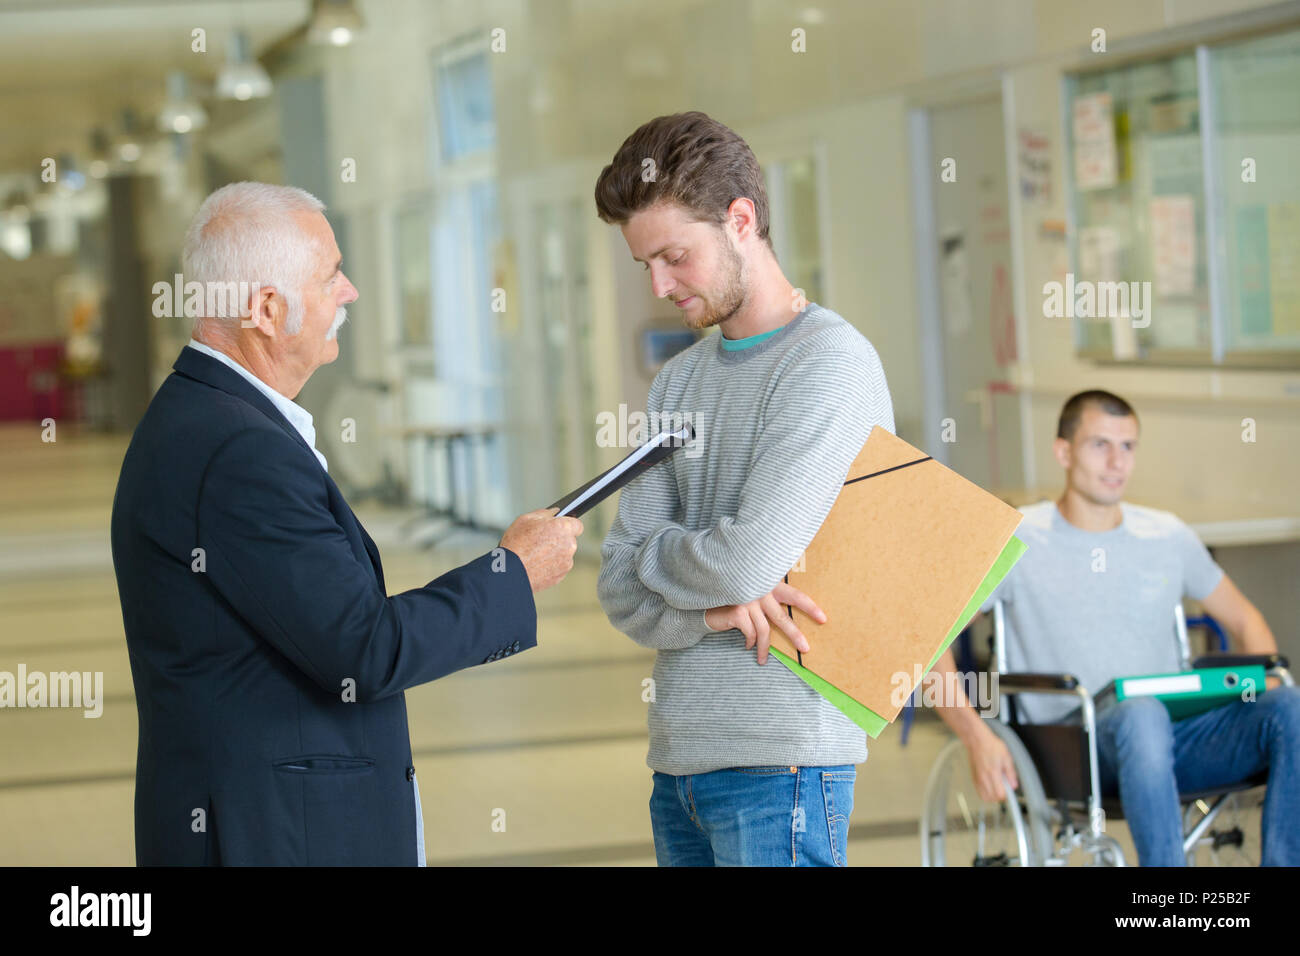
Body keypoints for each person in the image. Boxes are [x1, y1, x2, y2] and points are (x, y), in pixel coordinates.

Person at [111, 181, 583, 865]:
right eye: (331, 273)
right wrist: (510, 575)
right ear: (267, 310)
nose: (351, 291)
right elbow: (363, 649)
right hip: (273, 834)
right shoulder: (238, 450)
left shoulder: (209, 419)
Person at [593, 112, 895, 866]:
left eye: (674, 257)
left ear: (741, 220)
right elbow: (616, 586)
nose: (660, 286)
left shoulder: (829, 364)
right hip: (679, 762)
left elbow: (750, 557)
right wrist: (718, 607)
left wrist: (677, 568)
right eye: (646, 266)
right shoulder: (677, 382)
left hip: (784, 761)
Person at [933, 389, 1299, 865]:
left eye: (1127, 446)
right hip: (1072, 746)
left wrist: (1259, 682)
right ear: (1063, 451)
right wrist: (976, 736)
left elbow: (1245, 619)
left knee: (1288, 705)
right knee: (1140, 712)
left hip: (1180, 736)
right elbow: (931, 641)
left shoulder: (1167, 534)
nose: (1116, 462)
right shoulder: (1018, 539)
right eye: (1100, 444)